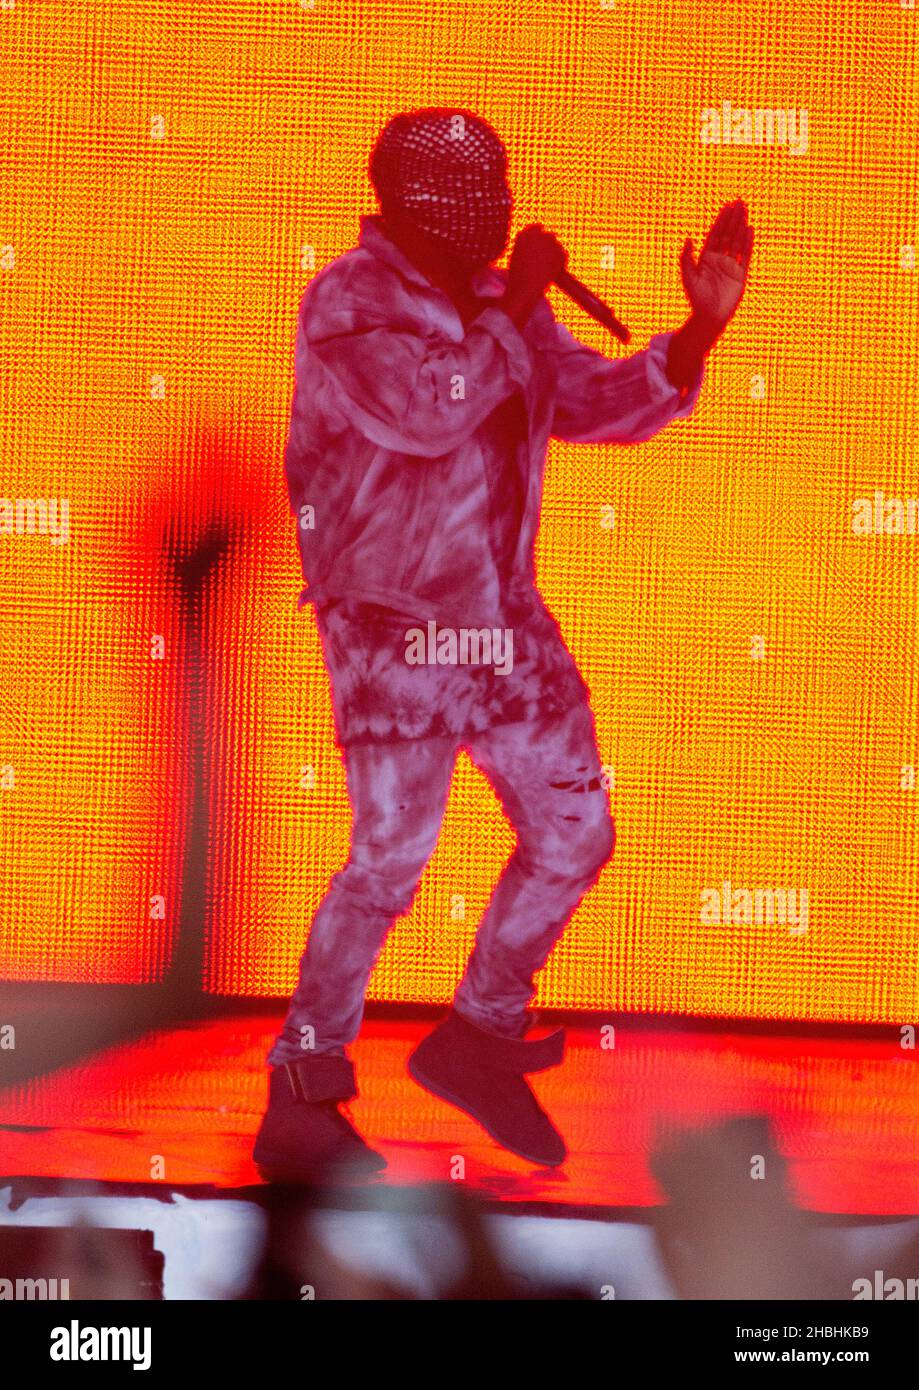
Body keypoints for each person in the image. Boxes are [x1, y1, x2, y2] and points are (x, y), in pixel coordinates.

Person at [254, 107, 754, 1177]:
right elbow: (429, 410)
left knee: (576, 830)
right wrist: (515, 303)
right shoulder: (351, 301)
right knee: (390, 860)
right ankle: (301, 1088)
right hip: (392, 631)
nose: (492, 210)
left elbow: (588, 401)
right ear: (405, 204)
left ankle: (477, 1036)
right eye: (464, 192)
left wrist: (695, 333)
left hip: (500, 625)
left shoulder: (499, 306)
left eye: (497, 184)